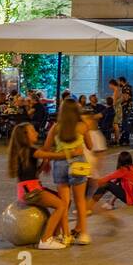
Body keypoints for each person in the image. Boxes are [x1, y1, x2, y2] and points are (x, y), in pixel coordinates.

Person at [37, 99, 95, 245]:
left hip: (60, 164)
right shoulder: (82, 126)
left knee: (64, 202)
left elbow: (46, 147)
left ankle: (66, 234)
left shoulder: (56, 127)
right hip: (78, 164)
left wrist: (46, 162)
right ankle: (83, 234)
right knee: (80, 200)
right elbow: (90, 146)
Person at [7, 122, 68, 249]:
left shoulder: (26, 151)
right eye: (32, 131)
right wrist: (72, 153)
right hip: (30, 191)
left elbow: (34, 172)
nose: (36, 133)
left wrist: (43, 165)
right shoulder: (31, 151)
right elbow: (54, 155)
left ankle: (55, 234)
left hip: (31, 188)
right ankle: (46, 239)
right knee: (61, 205)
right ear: (25, 136)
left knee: (65, 201)